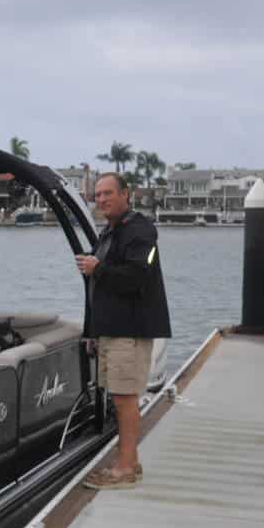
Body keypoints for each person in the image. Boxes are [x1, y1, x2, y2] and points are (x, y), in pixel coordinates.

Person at [75, 172, 170, 489]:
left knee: (126, 399)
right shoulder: (109, 232)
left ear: (126, 194)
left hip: (129, 330)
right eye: (98, 195)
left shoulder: (141, 232)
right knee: (119, 397)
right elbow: (99, 288)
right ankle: (129, 462)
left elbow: (137, 277)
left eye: (108, 193)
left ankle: (125, 468)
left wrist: (97, 268)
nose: (101, 199)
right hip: (111, 330)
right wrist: (92, 331)